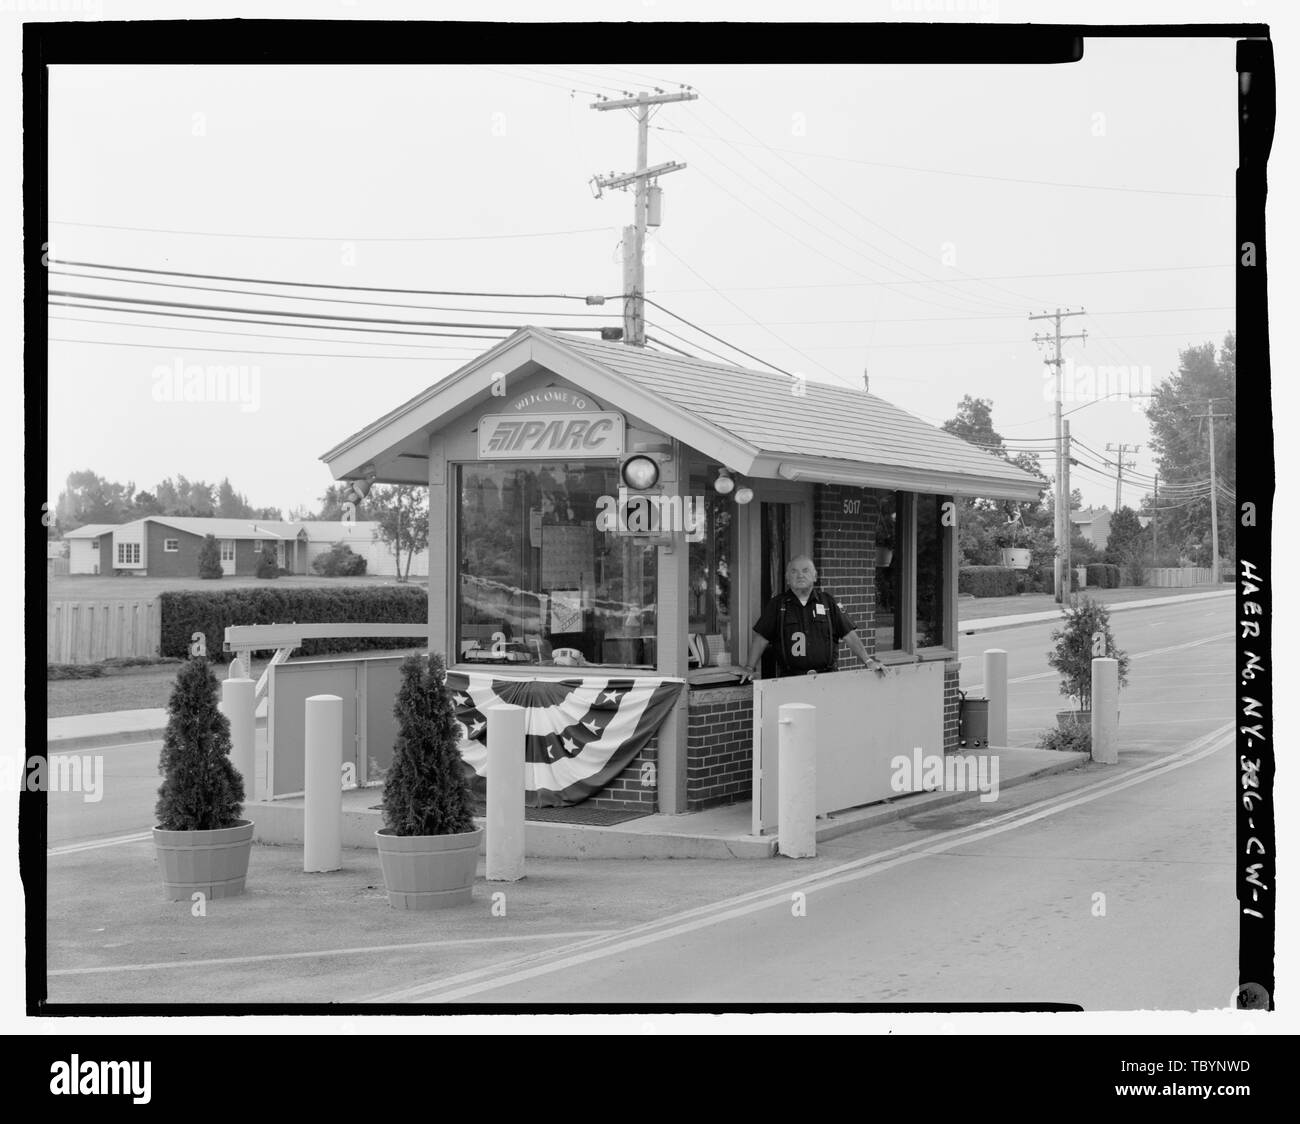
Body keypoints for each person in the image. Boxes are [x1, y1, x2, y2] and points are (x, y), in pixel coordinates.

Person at [737, 555, 886, 681]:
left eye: (805, 570)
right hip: (790, 680)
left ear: (815, 576)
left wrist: (868, 661)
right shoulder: (777, 605)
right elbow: (761, 638)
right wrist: (749, 667)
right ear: (787, 578)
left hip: (827, 679)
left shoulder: (828, 602)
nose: (800, 575)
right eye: (794, 572)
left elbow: (849, 635)